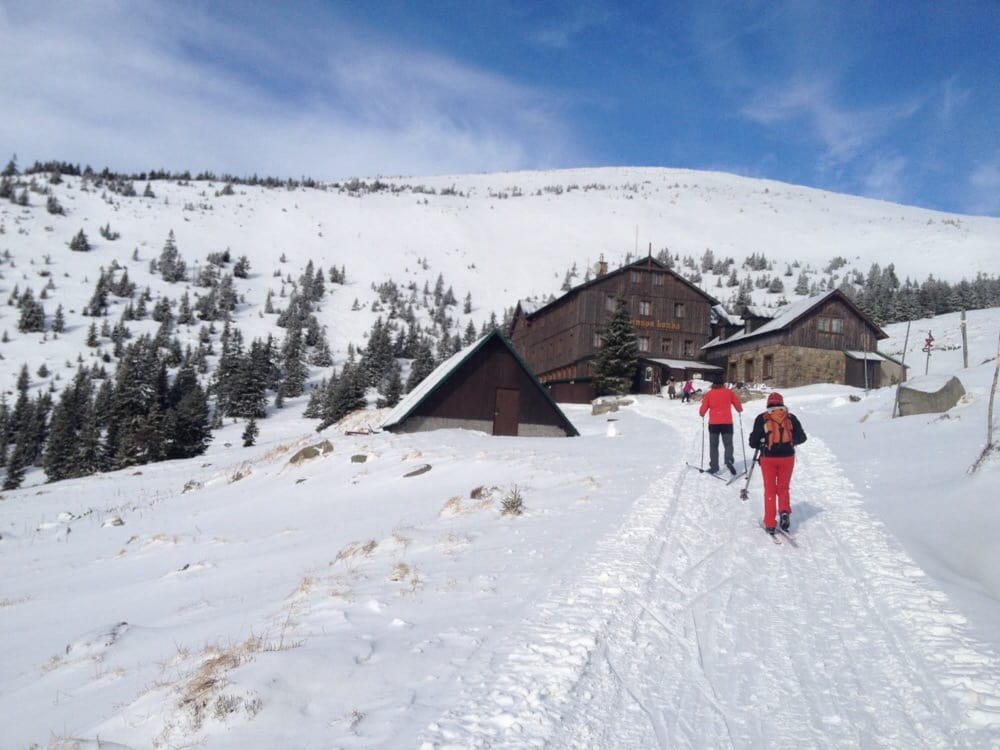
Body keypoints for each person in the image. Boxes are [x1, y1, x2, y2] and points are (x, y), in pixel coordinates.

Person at [748, 392, 807, 534]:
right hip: (787, 458)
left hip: (768, 458)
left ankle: (770, 522)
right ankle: (784, 511)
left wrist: (762, 441)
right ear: (782, 403)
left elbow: (752, 443)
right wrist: (791, 442)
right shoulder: (790, 417)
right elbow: (802, 437)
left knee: (770, 489)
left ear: (768, 403)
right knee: (783, 487)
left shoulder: (762, 418)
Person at [698, 375, 743, 475]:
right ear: (723, 383)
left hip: (714, 424)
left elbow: (703, 409)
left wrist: (702, 413)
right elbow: (737, 404)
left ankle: (714, 466)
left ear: (713, 384)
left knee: (713, 446)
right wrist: (739, 409)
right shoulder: (729, 392)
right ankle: (729, 460)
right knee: (728, 444)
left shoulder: (709, 394)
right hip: (727, 423)